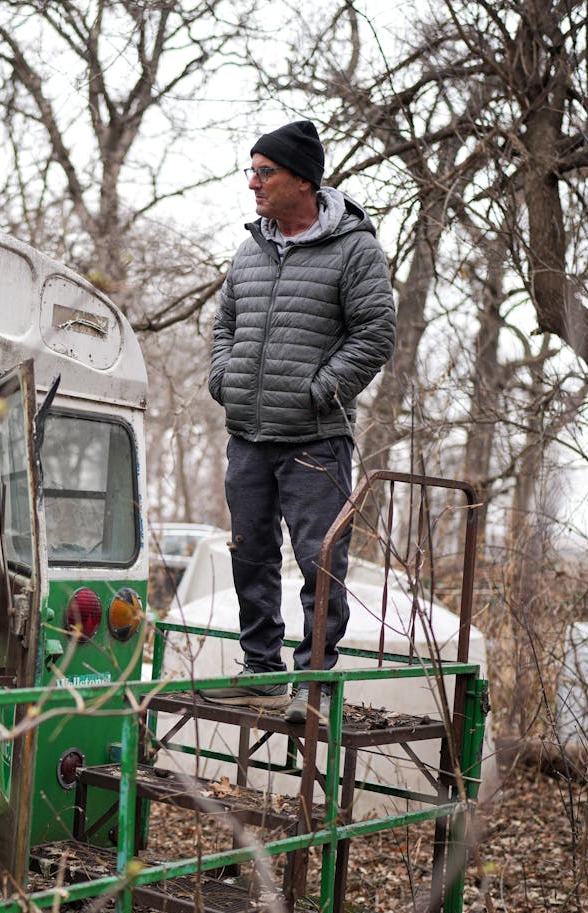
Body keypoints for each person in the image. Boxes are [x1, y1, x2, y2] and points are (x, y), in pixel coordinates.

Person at [201, 119, 396, 723]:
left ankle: (314, 686)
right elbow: (225, 326)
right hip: (249, 436)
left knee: (319, 559)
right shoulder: (250, 248)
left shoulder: (353, 248)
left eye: (266, 172)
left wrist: (319, 392)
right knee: (250, 551)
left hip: (314, 437)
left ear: (303, 180)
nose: (253, 184)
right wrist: (222, 378)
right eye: (251, 172)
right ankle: (262, 671)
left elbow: (375, 333)